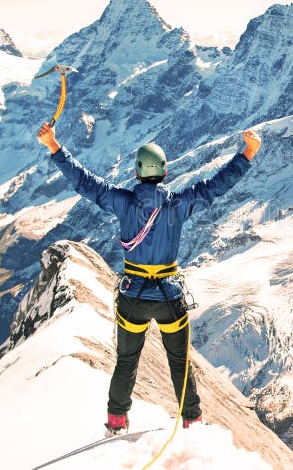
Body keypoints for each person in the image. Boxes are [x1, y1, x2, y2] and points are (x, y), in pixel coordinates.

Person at [36, 121, 261, 434]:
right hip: (169, 298)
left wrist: (54, 147)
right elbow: (216, 186)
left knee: (126, 361)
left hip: (133, 298)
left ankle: (116, 421)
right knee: (179, 363)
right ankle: (192, 421)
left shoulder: (123, 203)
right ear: (165, 173)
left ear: (137, 173)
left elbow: (85, 182)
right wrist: (247, 154)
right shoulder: (179, 205)